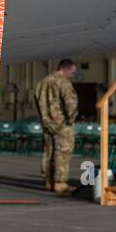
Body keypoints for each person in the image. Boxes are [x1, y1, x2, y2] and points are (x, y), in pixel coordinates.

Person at [35, 59, 79, 194]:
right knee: (63, 153)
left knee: (49, 152)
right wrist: (71, 120)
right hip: (62, 124)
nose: (72, 75)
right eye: (72, 72)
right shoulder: (63, 82)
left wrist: (45, 118)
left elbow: (37, 101)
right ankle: (60, 183)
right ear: (65, 69)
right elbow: (71, 103)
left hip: (47, 123)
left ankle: (49, 181)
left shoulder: (42, 82)